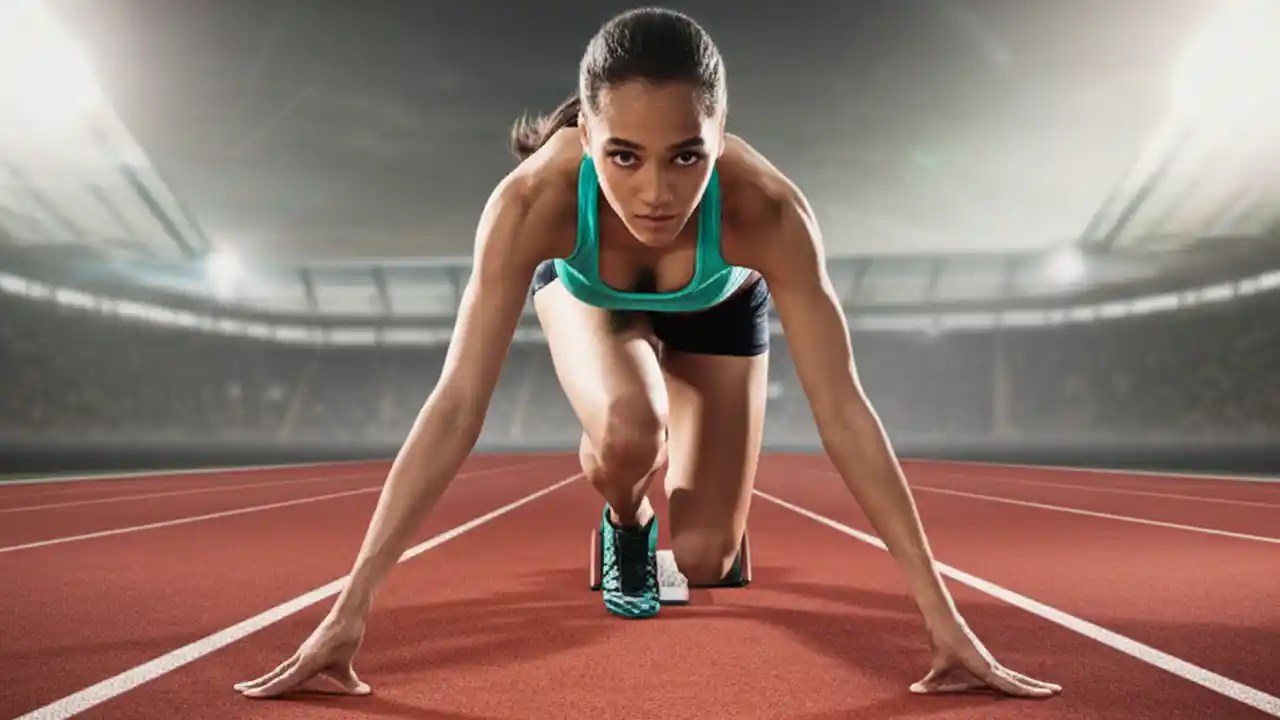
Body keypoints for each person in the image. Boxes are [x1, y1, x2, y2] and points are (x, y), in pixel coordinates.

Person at [235, 6, 1061, 700]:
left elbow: (843, 409)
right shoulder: (532, 205)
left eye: (687, 157)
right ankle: (626, 523)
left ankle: (703, 525)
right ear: (587, 133)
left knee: (705, 558)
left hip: (720, 307)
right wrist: (351, 609)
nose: (657, 195)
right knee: (634, 430)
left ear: (721, 135)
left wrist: (940, 613)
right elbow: (456, 404)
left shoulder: (769, 212)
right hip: (592, 301)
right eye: (623, 157)